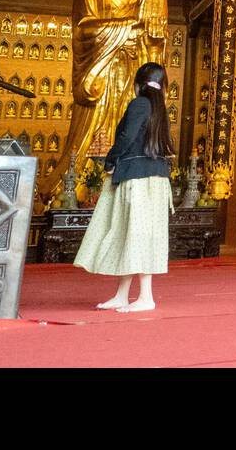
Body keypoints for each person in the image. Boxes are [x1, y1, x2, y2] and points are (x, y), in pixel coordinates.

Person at [74, 62, 174, 312]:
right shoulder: (160, 107)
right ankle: (122, 294)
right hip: (155, 178)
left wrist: (110, 159)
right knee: (133, 233)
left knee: (135, 234)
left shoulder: (140, 103)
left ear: (137, 83)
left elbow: (126, 137)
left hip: (137, 178)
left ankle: (146, 297)